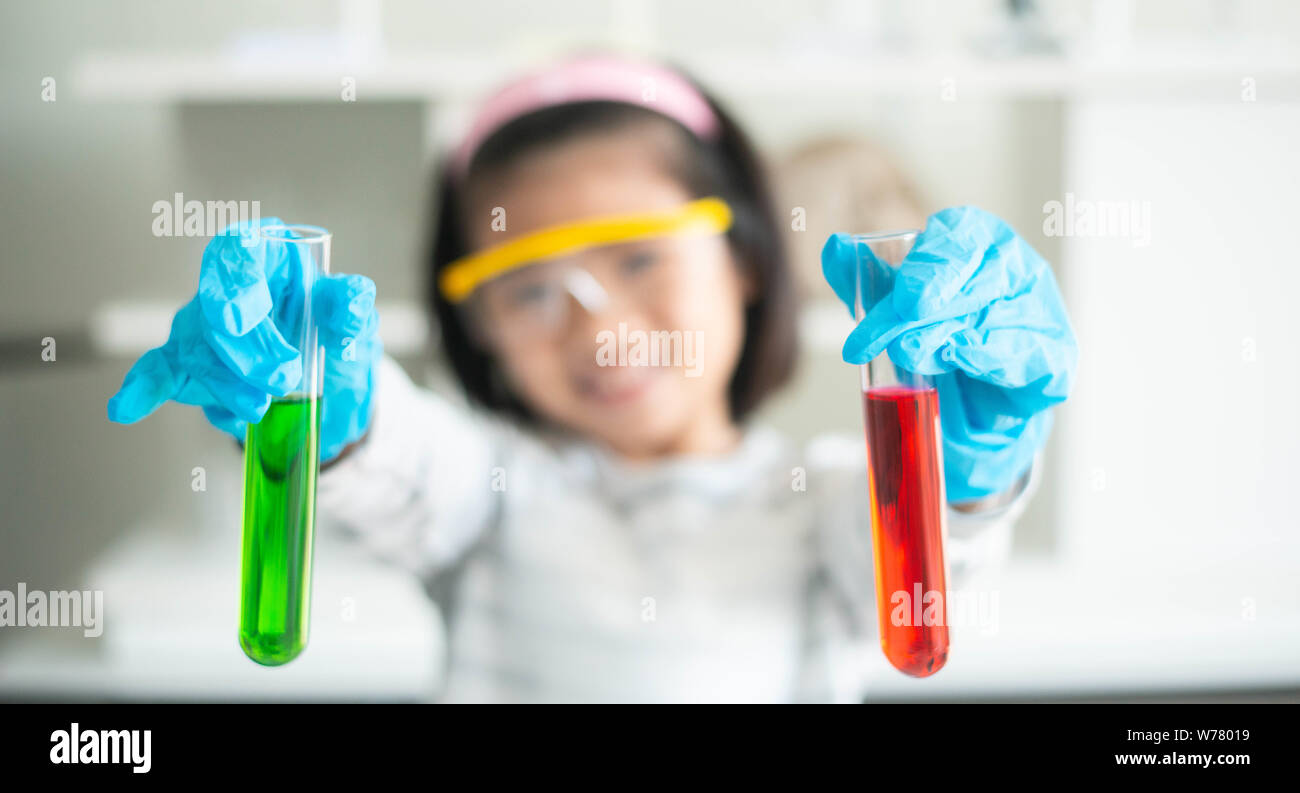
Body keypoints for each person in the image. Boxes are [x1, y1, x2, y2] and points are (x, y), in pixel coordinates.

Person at [107, 52, 1077, 703]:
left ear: (743, 259)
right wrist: (335, 424)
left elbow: (904, 575)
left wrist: (960, 467)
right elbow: (411, 468)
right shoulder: (493, 493)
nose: (599, 327)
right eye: (527, 292)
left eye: (641, 258)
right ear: (476, 331)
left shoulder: (818, 499)